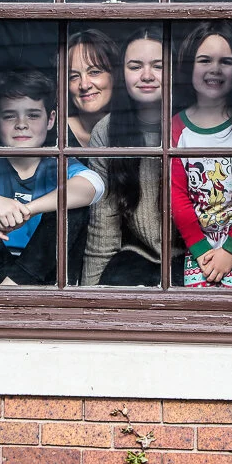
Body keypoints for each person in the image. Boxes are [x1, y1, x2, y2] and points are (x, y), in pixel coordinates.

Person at [0, 70, 104, 285]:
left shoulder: (57, 165)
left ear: (51, 120)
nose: (21, 124)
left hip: (41, 274)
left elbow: (94, 185)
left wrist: (28, 210)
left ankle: (13, 287)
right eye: (9, 116)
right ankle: (7, 287)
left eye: (33, 115)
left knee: (69, 204)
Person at [82, 27, 184, 286]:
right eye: (135, 66)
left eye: (158, 66)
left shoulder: (194, 124)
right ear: (122, 73)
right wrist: (90, 297)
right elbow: (103, 226)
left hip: (196, 258)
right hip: (138, 260)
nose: (147, 76)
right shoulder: (107, 130)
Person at [171, 22, 232, 288]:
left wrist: (231, 249)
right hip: (198, 250)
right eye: (205, 60)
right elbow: (177, 194)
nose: (215, 69)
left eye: (226, 61)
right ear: (190, 66)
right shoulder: (176, 126)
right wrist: (199, 249)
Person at [67, 29, 119, 149]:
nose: (84, 85)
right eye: (74, 76)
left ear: (115, 75)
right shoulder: (54, 133)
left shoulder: (133, 130)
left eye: (94, 72)